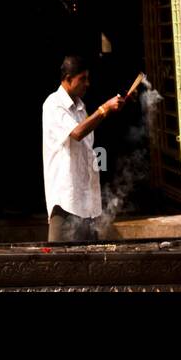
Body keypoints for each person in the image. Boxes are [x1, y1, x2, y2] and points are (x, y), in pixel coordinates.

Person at [42, 54, 124, 243]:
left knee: (87, 259)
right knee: (59, 261)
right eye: (83, 79)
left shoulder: (80, 107)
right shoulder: (53, 104)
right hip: (65, 199)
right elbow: (77, 133)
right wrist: (104, 109)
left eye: (88, 78)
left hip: (85, 199)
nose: (87, 84)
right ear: (69, 79)